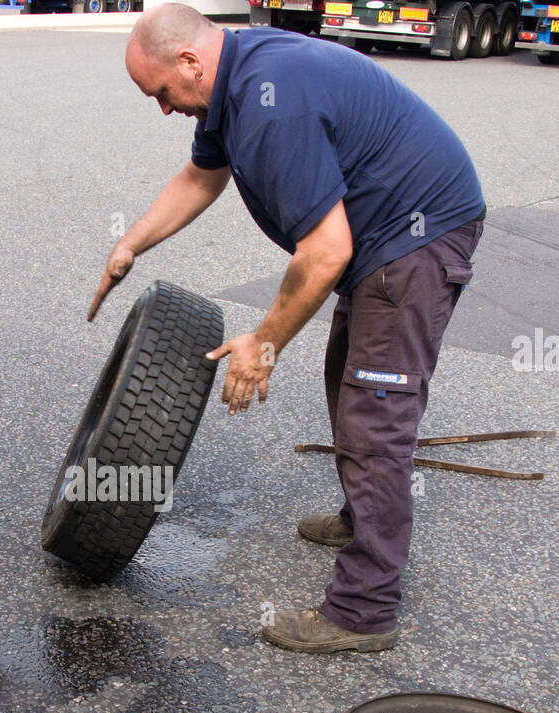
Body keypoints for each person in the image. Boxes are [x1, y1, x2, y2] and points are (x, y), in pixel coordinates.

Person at [89, 3, 485, 654]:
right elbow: (201, 175)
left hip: (417, 237)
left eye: (160, 92)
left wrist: (263, 344)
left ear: (189, 62)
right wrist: (131, 244)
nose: (163, 109)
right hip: (381, 237)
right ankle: (364, 518)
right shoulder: (233, 80)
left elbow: (325, 252)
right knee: (347, 380)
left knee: (376, 415)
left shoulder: (272, 106)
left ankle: (363, 611)